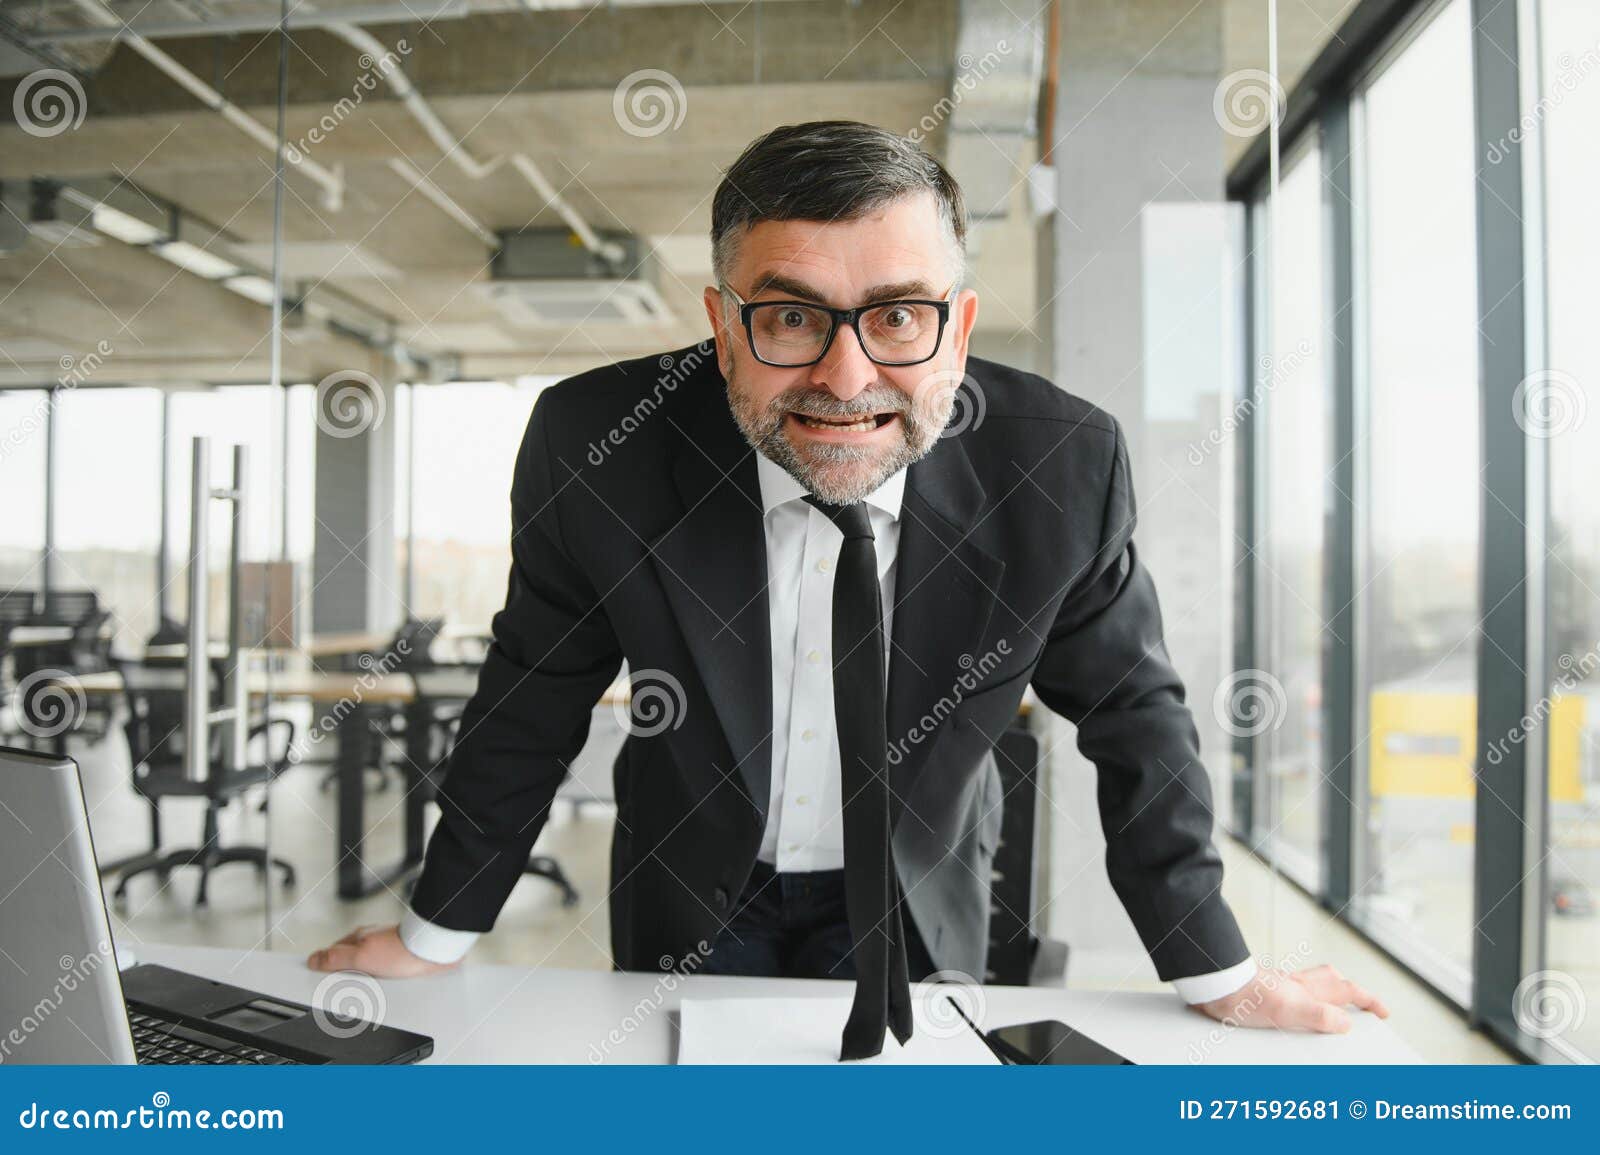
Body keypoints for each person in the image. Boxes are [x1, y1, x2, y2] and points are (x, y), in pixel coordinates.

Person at [310, 120, 1387, 1053]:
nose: (845, 376)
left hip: (919, 884)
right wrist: (432, 937)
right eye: (789, 318)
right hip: (690, 884)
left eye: (898, 315)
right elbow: (531, 698)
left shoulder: (1058, 468)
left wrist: (1217, 972)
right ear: (724, 329)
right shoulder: (600, 446)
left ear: (957, 331)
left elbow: (1131, 715)